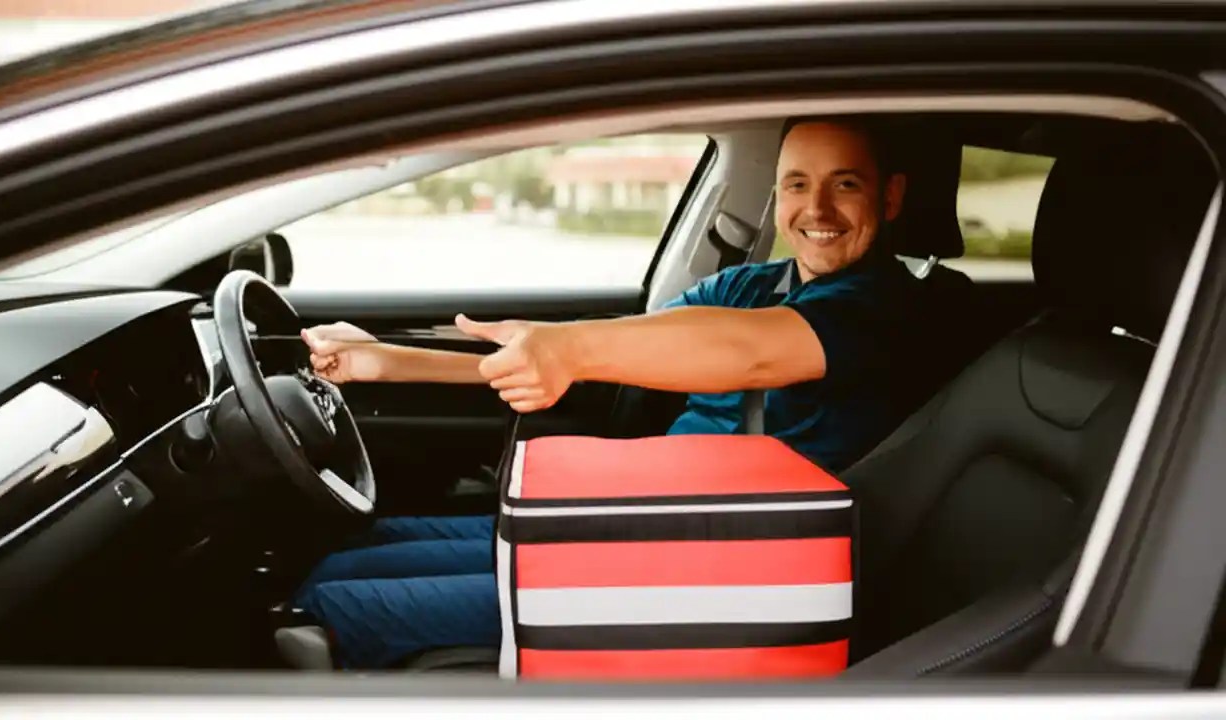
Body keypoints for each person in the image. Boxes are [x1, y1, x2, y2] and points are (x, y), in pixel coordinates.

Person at [289, 118, 925, 669]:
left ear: (891, 197)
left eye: (846, 184)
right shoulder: (751, 286)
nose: (816, 210)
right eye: (796, 184)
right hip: (641, 522)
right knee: (355, 549)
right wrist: (388, 362)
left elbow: (753, 351)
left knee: (334, 604)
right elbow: (610, 348)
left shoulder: (883, 307)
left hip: (718, 569)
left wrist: (573, 350)